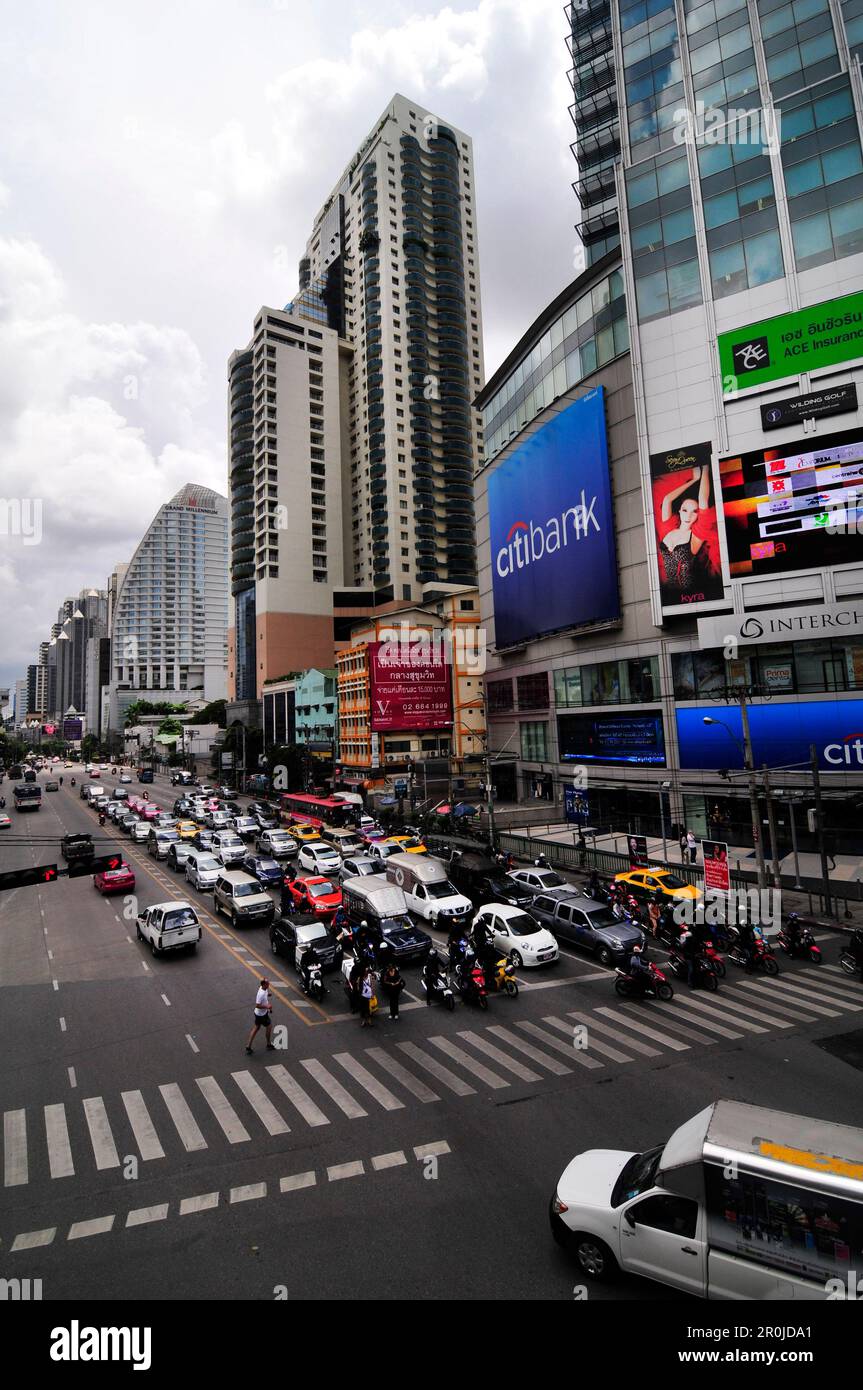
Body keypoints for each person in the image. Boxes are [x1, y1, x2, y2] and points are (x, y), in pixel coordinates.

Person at [246, 979, 276, 1053]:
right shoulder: (261, 994)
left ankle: (248, 1046)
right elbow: (257, 1005)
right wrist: (267, 1007)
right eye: (267, 984)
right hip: (262, 1015)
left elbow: (264, 993)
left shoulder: (263, 988)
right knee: (269, 1027)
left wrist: (267, 995)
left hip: (258, 1014)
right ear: (264, 985)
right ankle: (268, 1044)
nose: (269, 985)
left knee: (256, 1027)